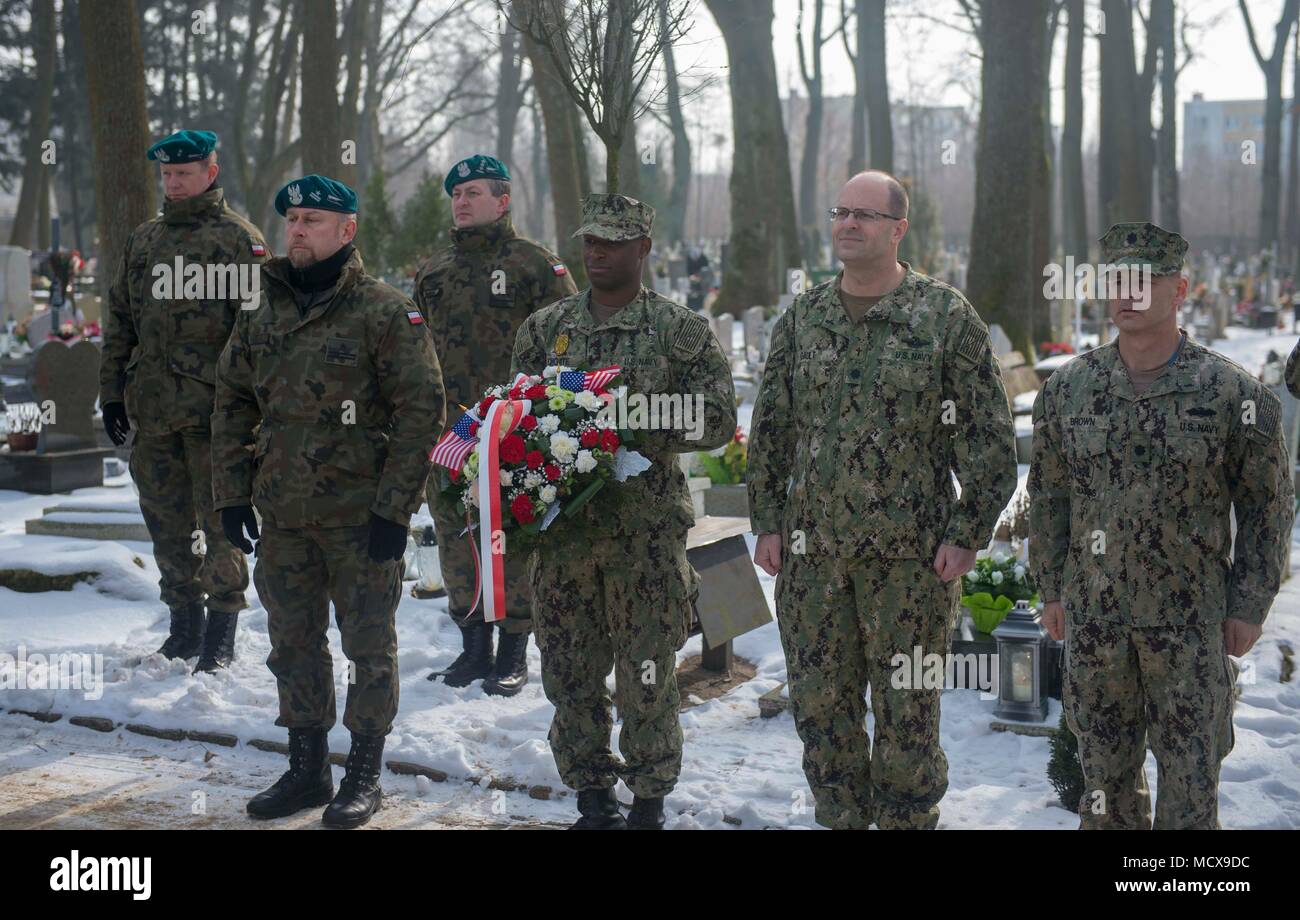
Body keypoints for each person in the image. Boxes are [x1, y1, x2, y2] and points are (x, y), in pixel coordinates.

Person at [746, 170, 1018, 829]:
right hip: (813, 562)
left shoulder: (945, 317)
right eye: (840, 211)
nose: (847, 224)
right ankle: (840, 817)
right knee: (821, 709)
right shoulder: (804, 317)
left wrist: (967, 530)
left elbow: (988, 436)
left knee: (908, 712)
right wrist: (768, 522)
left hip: (910, 565)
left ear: (898, 229)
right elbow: (771, 428)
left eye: (864, 215)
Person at [1030, 221, 1294, 829]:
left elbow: (1267, 507)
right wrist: (1051, 589)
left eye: (1145, 281)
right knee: (1105, 785)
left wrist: (1250, 604)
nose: (1128, 293)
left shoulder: (1233, 393)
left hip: (1192, 625)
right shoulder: (1069, 391)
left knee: (1191, 788)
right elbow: (1047, 498)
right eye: (1116, 280)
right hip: (1097, 624)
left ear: (1180, 290)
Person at [212, 174, 445, 828]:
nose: (296, 230)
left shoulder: (383, 310)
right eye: (291, 219)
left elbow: (421, 408)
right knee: (292, 643)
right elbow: (231, 398)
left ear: (348, 230)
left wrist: (394, 508)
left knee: (368, 647)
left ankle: (364, 772)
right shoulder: (263, 307)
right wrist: (231, 493)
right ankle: (307, 767)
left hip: (360, 517)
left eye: (312, 219)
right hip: (282, 513)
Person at [510, 193, 736, 829]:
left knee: (647, 675)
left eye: (611, 241)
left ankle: (649, 800)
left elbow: (716, 416)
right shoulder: (544, 329)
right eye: (589, 240)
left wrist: (629, 425)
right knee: (569, 673)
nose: (596, 251)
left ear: (643, 249)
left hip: (643, 536)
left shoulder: (680, 332)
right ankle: (591, 797)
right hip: (564, 539)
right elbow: (515, 416)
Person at [97, 129, 269, 672]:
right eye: (166, 175)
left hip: (215, 418)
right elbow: (120, 320)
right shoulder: (143, 241)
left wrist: (252, 412)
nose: (173, 183)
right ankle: (183, 624)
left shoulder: (239, 241)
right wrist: (111, 395)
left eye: (184, 173)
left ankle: (221, 630)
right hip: (153, 413)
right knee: (167, 524)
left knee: (219, 527)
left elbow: (260, 336)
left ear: (210, 173)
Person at [413, 154, 576, 695]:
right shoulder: (433, 272)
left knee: (511, 540)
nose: (462, 202)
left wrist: (551, 425)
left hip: (515, 432)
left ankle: (513, 650)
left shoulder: (536, 266)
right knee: (458, 538)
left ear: (503, 201)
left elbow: (568, 349)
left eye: (474, 193)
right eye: (456, 195)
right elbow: (417, 355)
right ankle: (472, 648)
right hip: (451, 434)